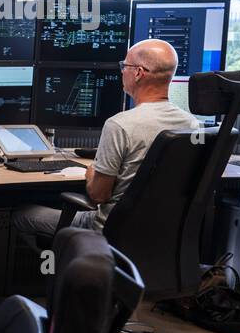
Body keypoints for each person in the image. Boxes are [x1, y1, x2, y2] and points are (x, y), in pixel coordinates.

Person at [13, 38, 193, 246]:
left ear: (138, 73)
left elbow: (99, 195)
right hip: (164, 236)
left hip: (109, 230)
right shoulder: (191, 125)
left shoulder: (120, 125)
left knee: (22, 214)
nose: (122, 71)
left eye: (125, 66)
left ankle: (62, 263)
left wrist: (91, 173)